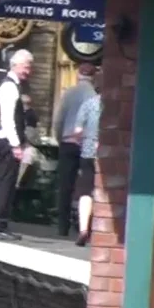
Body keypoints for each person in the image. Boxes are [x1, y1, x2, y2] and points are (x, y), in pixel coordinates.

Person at [0, 49, 34, 241]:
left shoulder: (14, 86)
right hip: (8, 141)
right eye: (26, 67)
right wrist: (16, 145)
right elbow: (8, 119)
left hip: (9, 140)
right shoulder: (9, 87)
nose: (28, 71)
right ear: (15, 65)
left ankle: (0, 223)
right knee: (5, 183)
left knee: (6, 182)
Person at [53, 63, 98, 238]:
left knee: (65, 185)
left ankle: (62, 226)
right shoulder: (94, 96)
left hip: (67, 142)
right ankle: (83, 224)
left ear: (78, 74)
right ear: (94, 77)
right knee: (87, 185)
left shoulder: (68, 93)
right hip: (86, 144)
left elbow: (58, 119)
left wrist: (60, 138)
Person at [71, 90, 101, 246]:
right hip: (105, 153)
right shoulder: (112, 104)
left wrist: (81, 141)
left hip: (88, 152)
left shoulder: (89, 103)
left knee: (85, 191)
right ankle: (99, 228)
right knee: (103, 191)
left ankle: (83, 229)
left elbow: (77, 130)